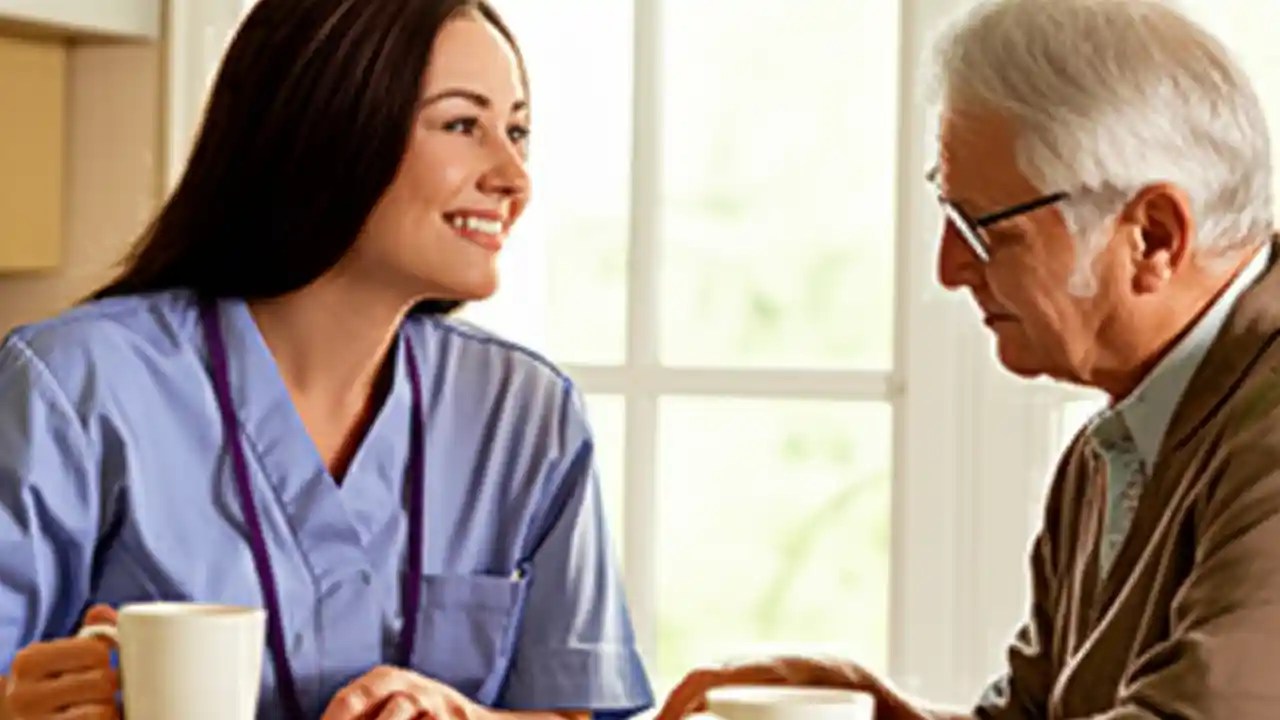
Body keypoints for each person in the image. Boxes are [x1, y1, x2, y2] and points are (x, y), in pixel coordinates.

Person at [0, 1, 653, 719]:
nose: (513, 177)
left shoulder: (526, 414)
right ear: (327, 127)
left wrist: (468, 718)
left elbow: (577, 710)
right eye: (463, 125)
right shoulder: (73, 385)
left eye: (518, 131)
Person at [657, 0, 1280, 718]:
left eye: (984, 229)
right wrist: (885, 712)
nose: (949, 268)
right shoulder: (1115, 446)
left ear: (1153, 237)